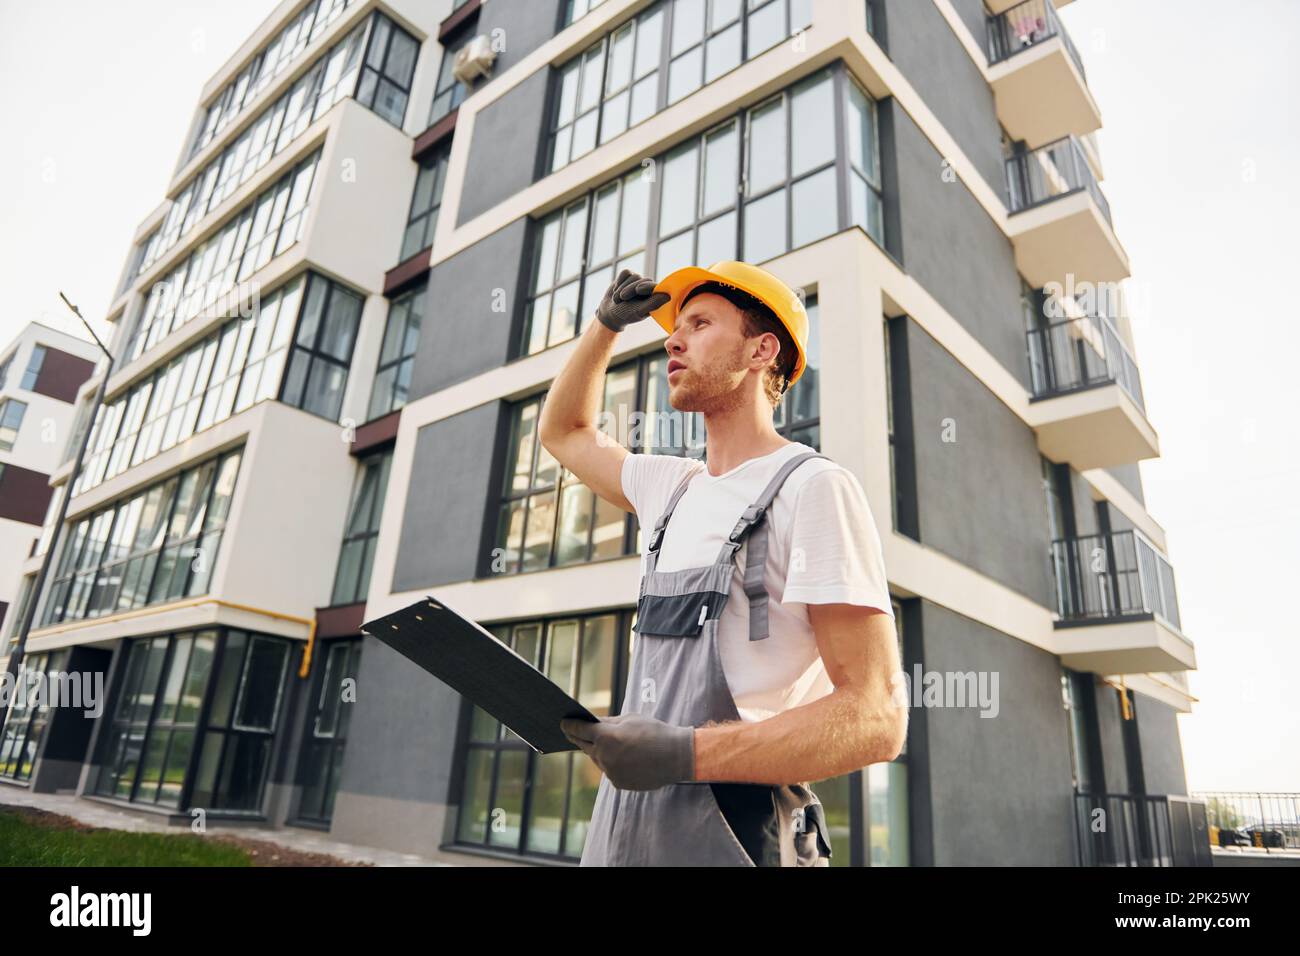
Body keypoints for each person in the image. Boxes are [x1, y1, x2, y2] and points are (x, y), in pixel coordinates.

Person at [541, 261, 905, 866]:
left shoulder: (813, 488)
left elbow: (875, 715)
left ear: (763, 350)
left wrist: (685, 755)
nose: (672, 340)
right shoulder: (672, 488)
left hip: (737, 835)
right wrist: (605, 327)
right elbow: (566, 431)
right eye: (673, 327)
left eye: (700, 323)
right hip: (623, 834)